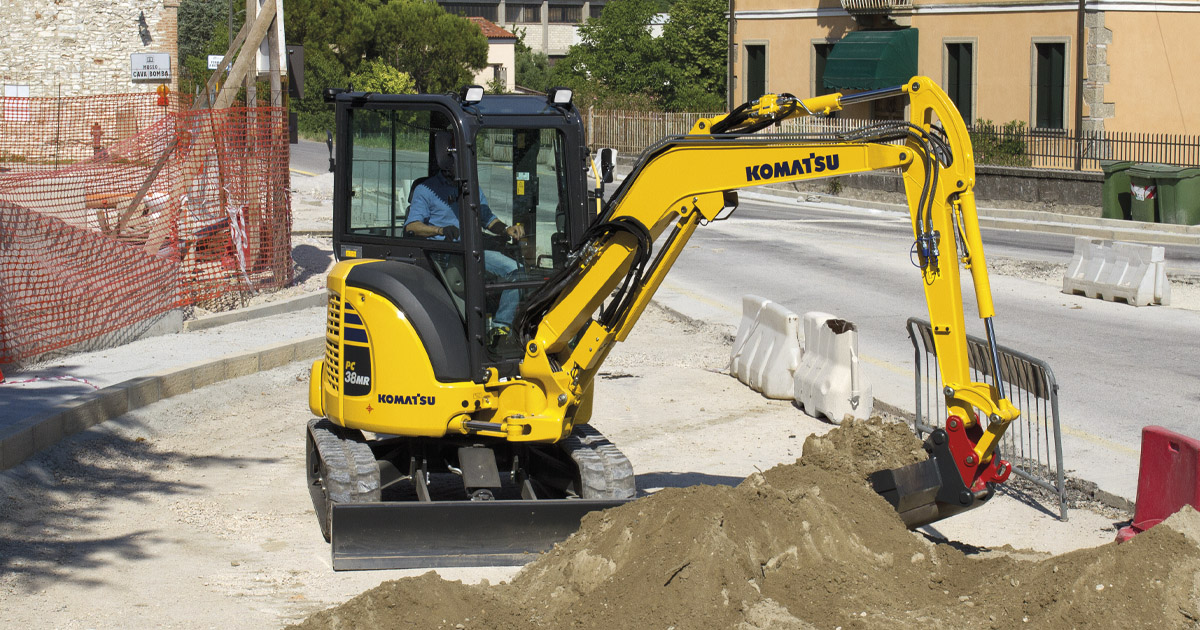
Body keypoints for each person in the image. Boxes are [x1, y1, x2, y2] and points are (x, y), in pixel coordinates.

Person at [405, 131, 525, 344]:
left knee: (516, 270)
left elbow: (486, 218)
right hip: (445, 254)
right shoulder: (426, 189)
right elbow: (412, 226)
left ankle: (500, 328)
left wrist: (506, 229)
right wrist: (440, 231)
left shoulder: (471, 187)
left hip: (473, 249)